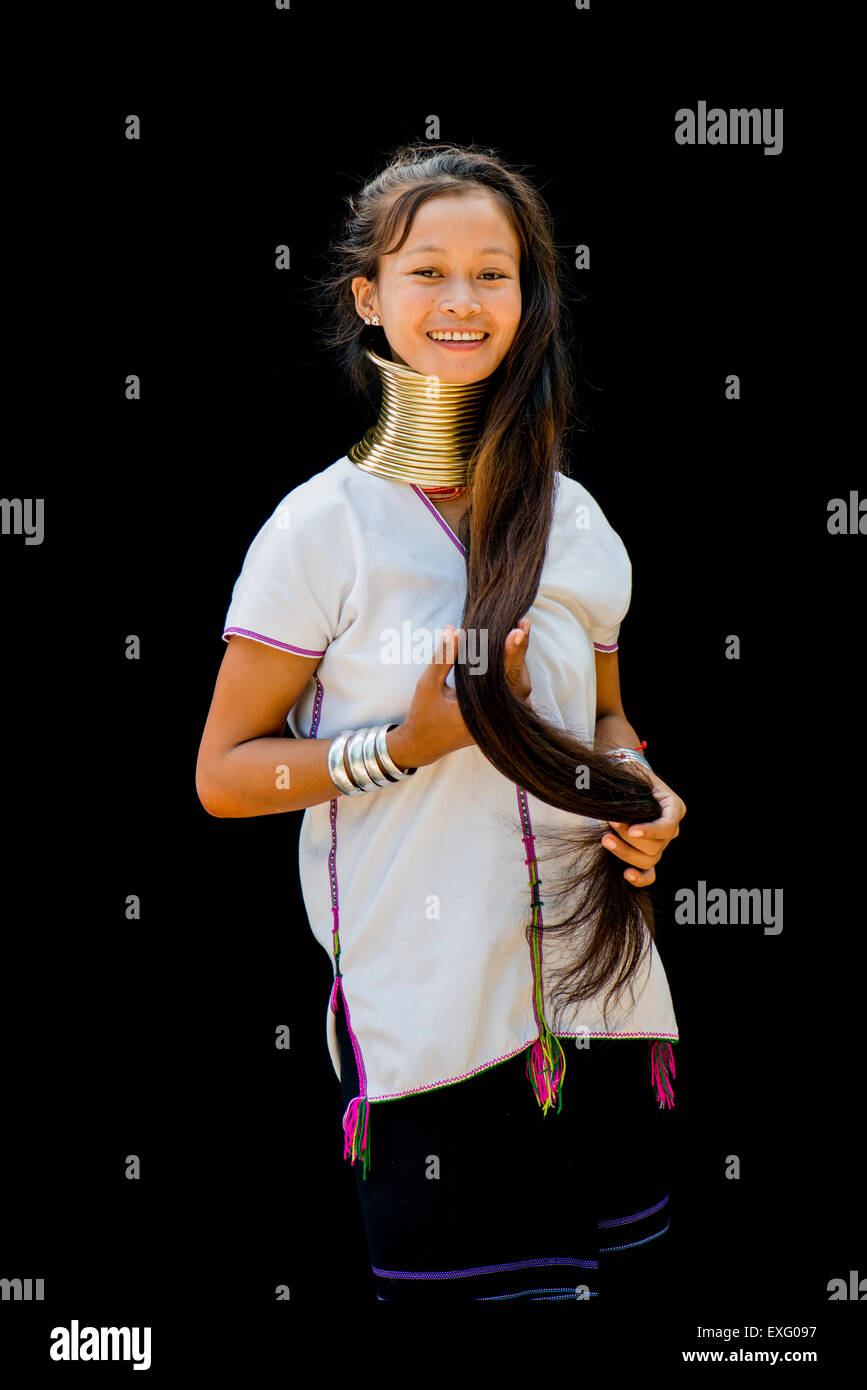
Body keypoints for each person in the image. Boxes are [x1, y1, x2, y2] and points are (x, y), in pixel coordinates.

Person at [196, 143, 687, 1302]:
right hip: (435, 1027)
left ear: (529, 296)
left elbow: (610, 715)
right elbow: (222, 773)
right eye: (427, 272)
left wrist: (646, 795)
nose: (462, 301)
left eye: (493, 274)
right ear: (370, 297)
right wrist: (400, 749)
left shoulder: (575, 518)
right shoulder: (323, 530)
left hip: (604, 1008)